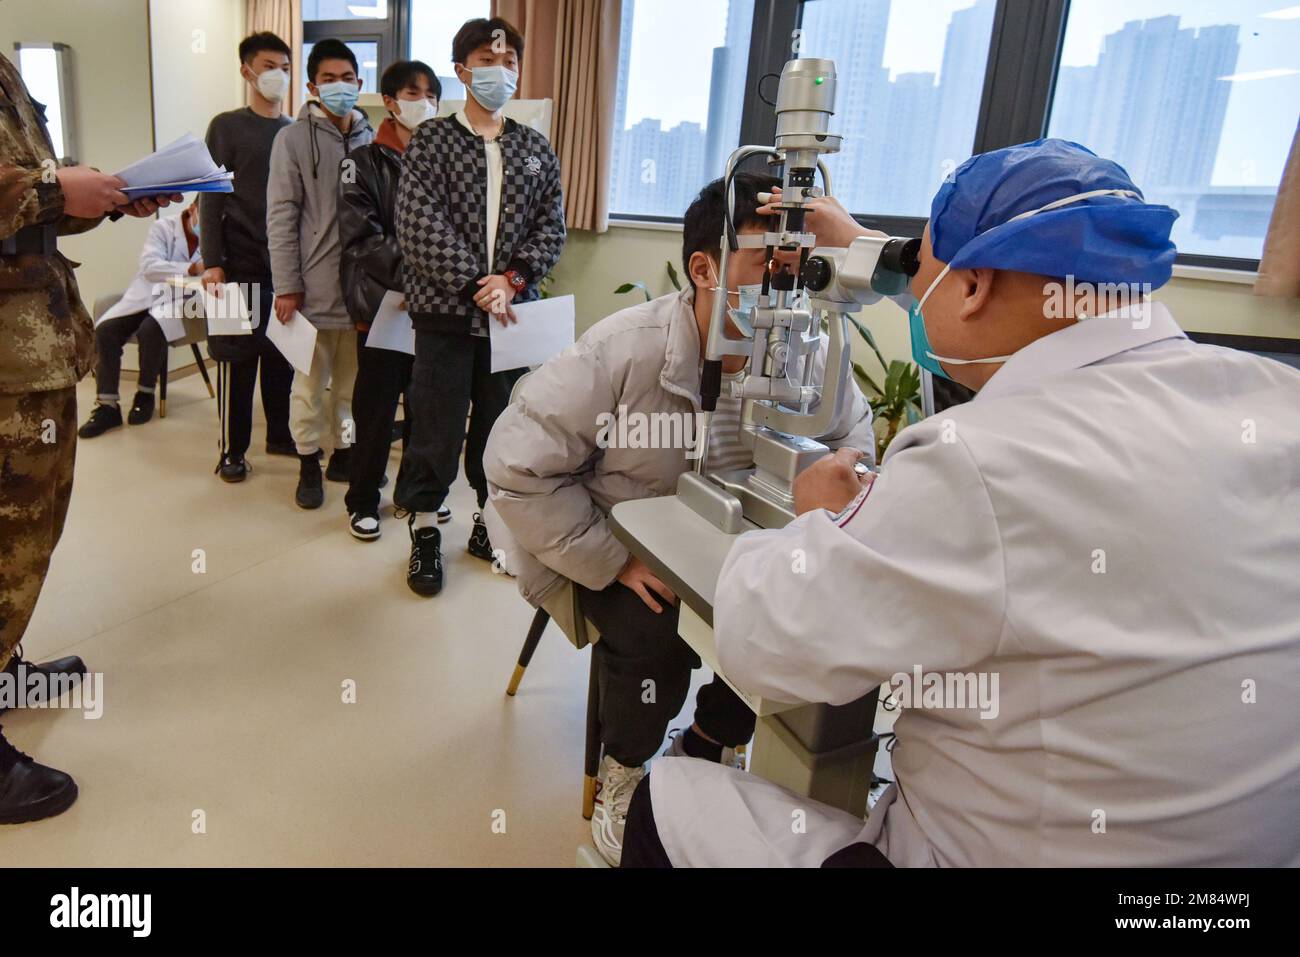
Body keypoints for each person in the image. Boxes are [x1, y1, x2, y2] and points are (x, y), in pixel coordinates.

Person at [622, 139, 1300, 867]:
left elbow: (764, 645)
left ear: (973, 286)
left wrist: (820, 520)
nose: (912, 287)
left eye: (922, 268)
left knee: (668, 797)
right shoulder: (1275, 401)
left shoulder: (979, 459)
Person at [483, 173, 876, 865]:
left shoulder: (808, 350)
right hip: (606, 534)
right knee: (655, 634)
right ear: (704, 267)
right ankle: (625, 770)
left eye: (800, 270)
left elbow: (853, 440)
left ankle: (704, 742)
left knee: (779, 622)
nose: (787, 292)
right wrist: (611, 559)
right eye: (768, 267)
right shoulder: (623, 350)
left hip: (727, 541)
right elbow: (515, 465)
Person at [0, 49, 180, 823]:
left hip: (33, 344)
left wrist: (105, 197)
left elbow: (33, 201)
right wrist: (50, 186)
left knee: (31, 529)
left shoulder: (4, 72)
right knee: (7, 533)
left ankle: (2, 665)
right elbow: (29, 191)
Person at [394, 16, 565, 596]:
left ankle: (484, 524)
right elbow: (418, 225)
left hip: (513, 319)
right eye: (489, 61)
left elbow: (551, 228)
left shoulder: (534, 148)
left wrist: (512, 280)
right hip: (445, 316)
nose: (501, 71)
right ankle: (422, 530)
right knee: (435, 428)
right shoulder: (432, 142)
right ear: (463, 70)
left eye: (510, 61)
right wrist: (475, 284)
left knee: (501, 429)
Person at [338, 59, 450, 541]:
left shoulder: (447, 162)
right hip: (384, 307)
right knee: (376, 410)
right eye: (412, 92)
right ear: (389, 100)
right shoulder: (361, 163)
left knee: (427, 408)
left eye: (430, 94)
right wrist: (416, 279)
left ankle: (415, 494)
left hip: (435, 313)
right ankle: (362, 499)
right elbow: (363, 238)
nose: (423, 102)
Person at [268, 38, 374, 510]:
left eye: (346, 78)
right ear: (312, 86)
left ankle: (343, 451)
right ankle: (308, 460)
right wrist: (288, 284)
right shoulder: (291, 139)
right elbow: (281, 215)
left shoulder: (374, 141)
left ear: (360, 82)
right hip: (310, 289)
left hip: (362, 293)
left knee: (352, 386)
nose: (339, 87)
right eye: (328, 80)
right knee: (309, 385)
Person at [201, 31, 296, 483]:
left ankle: (280, 433)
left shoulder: (294, 131)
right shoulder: (226, 126)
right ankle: (232, 450)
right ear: (247, 71)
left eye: (284, 65)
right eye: (268, 65)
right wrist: (212, 259)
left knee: (281, 356)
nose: (277, 74)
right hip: (233, 265)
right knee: (235, 362)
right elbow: (211, 196)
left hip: (282, 268)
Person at [78, 198, 203, 438]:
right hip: (144, 295)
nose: (206, 224)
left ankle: (145, 394)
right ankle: (107, 406)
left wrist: (192, 272)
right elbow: (150, 267)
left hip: (180, 302)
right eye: (204, 215)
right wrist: (191, 269)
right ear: (191, 210)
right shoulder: (163, 228)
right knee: (106, 331)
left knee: (151, 330)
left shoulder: (214, 237)